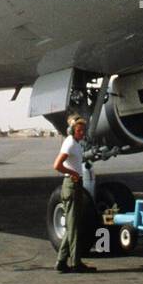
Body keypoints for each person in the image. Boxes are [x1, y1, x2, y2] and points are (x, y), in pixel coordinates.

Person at [53, 116, 95, 273]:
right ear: (72, 131)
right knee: (74, 227)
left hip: (76, 184)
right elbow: (57, 165)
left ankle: (61, 261)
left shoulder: (76, 144)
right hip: (71, 185)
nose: (82, 133)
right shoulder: (70, 143)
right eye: (79, 130)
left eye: (83, 130)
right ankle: (76, 263)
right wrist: (72, 173)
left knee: (72, 225)